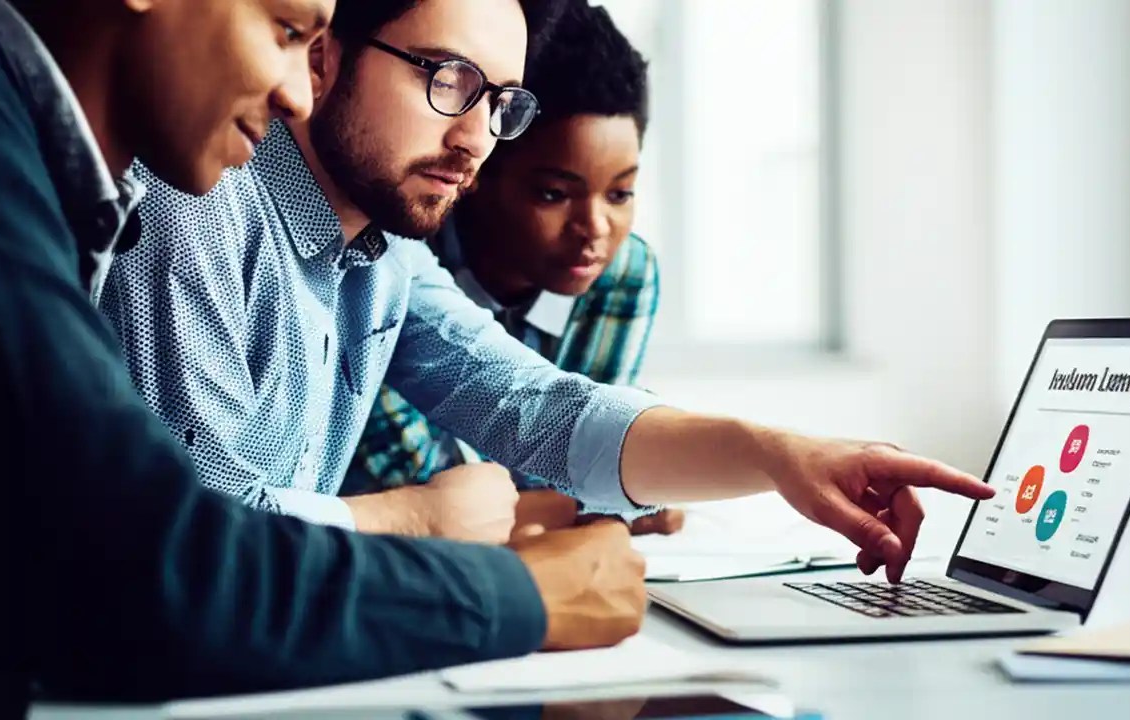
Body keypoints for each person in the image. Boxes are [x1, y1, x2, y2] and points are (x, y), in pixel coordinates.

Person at [99, 0, 994, 582]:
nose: (475, 139)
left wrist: (779, 455)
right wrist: (412, 520)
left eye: (500, 103)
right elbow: (196, 539)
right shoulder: (194, 205)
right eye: (446, 80)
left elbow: (541, 408)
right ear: (327, 56)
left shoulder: (386, 253)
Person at [0, 0, 647, 716]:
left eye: (498, 103)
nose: (299, 92)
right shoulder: (144, 195)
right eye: (290, 31)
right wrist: (508, 585)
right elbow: (163, 567)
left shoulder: (384, 250)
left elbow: (529, 400)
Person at [349, 0, 684, 536]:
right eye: (553, 194)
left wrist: (598, 489)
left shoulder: (624, 272)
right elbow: (414, 485)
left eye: (620, 193)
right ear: (479, 168)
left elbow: (591, 454)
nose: (595, 229)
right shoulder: (393, 250)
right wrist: (593, 501)